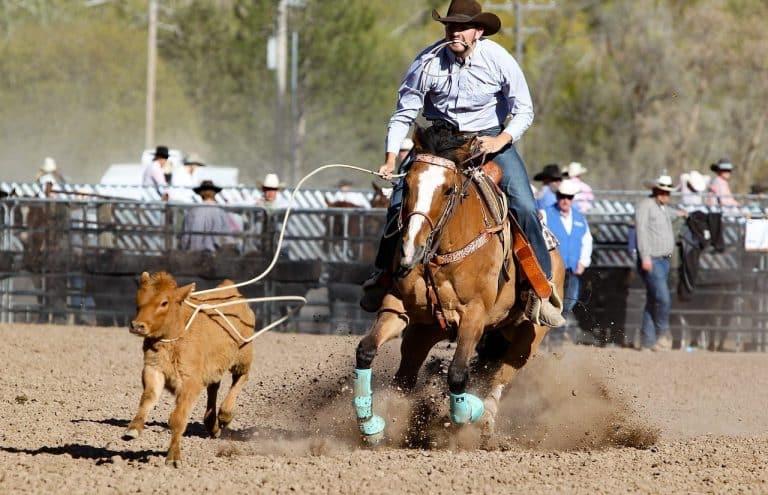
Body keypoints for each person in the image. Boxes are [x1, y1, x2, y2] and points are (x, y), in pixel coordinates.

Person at [362, 0, 565, 327]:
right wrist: (389, 158)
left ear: (478, 31)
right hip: (438, 141)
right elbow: (403, 114)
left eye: (461, 26)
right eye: (450, 26)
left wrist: (500, 141)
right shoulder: (426, 62)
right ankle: (383, 275)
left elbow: (524, 110)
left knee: (525, 206)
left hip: (489, 140)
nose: (454, 32)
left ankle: (541, 289)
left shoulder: (499, 60)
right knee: (400, 200)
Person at [541, 179, 593, 345]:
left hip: (571, 269)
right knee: (549, 302)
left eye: (569, 197)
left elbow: (587, 240)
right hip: (551, 270)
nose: (565, 200)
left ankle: (555, 335)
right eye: (562, 196)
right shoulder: (546, 214)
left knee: (568, 302)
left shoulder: (579, 218)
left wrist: (583, 261)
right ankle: (546, 336)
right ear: (557, 197)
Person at [634, 174, 678, 351]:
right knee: (663, 298)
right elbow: (641, 231)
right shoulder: (645, 206)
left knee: (654, 299)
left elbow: (672, 215)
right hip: (652, 259)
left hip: (663, 261)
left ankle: (647, 341)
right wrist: (645, 257)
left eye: (668, 192)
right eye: (664, 191)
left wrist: (684, 213)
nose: (667, 195)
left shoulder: (663, 208)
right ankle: (663, 333)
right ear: (656, 190)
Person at [180, 180, 237, 252]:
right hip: (214, 255)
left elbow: (185, 239)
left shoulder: (192, 212)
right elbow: (228, 239)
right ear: (214, 194)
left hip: (195, 255)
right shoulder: (221, 212)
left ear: (200, 194)